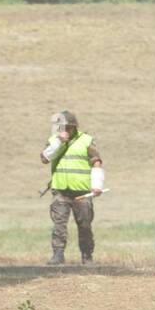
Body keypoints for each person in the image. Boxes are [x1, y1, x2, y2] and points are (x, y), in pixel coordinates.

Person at [41, 110, 104, 265]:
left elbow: (96, 161)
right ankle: (58, 255)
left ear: (74, 126)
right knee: (59, 225)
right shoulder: (54, 140)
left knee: (85, 226)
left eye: (68, 127)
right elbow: (44, 158)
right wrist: (59, 142)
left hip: (82, 192)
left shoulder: (86, 140)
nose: (65, 130)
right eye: (62, 127)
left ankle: (87, 256)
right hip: (61, 191)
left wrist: (97, 185)